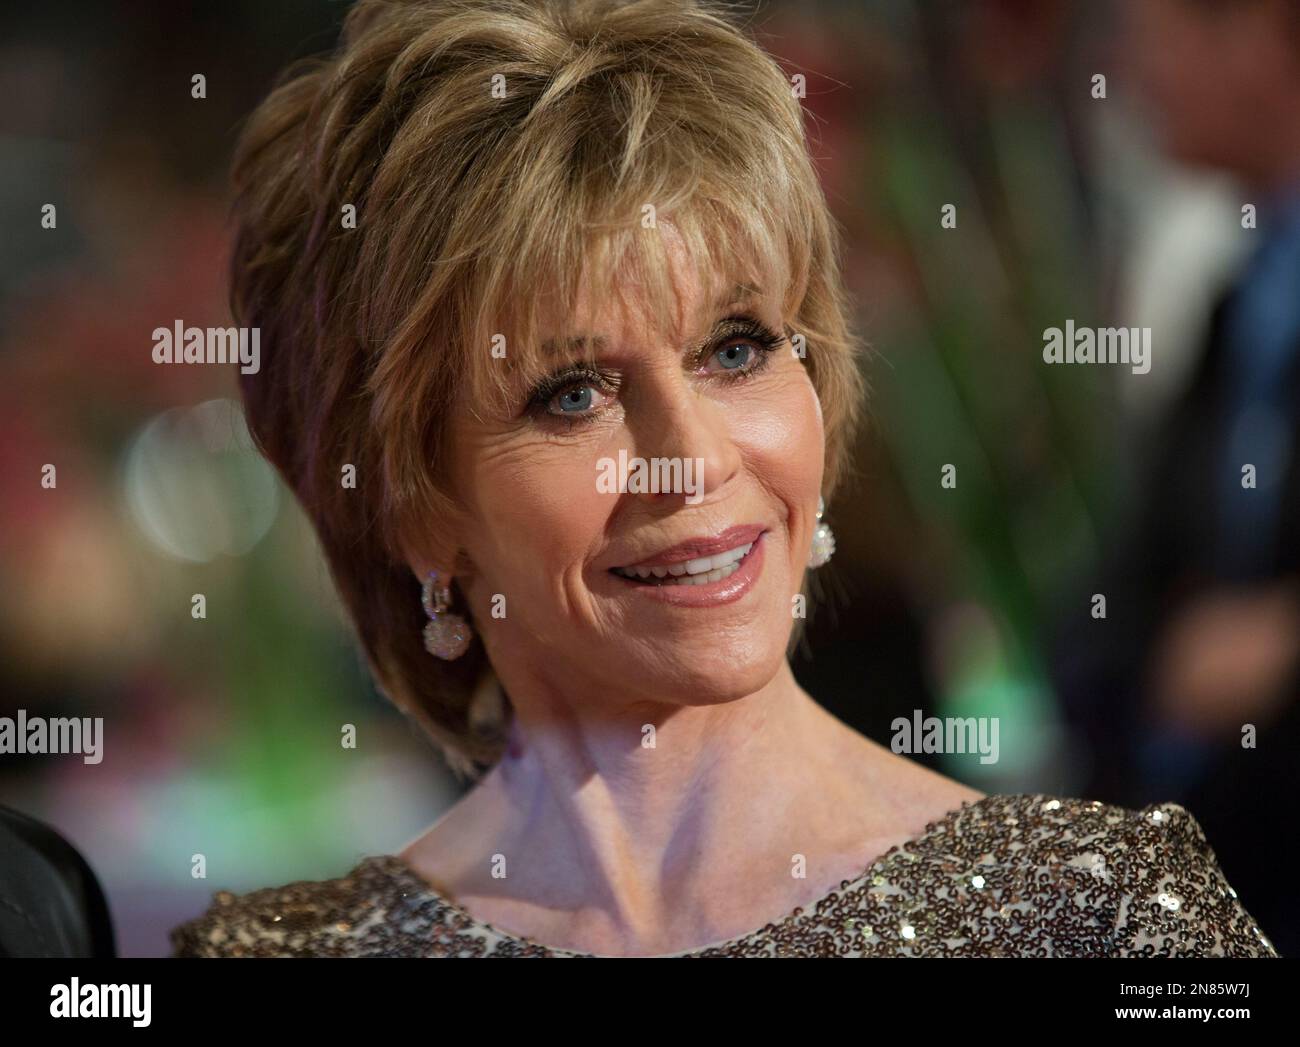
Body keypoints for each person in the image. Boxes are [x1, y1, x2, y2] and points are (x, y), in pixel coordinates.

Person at [170, 0, 1276, 958]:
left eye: (736, 347)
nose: (692, 458)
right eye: (569, 393)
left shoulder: (1096, 919)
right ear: (412, 507)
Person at [1052, 0, 1300, 957]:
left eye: (1149, 30)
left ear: (1261, 33)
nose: (1129, 68)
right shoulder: (1241, 291)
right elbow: (1134, 590)